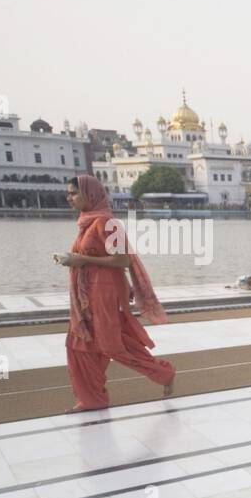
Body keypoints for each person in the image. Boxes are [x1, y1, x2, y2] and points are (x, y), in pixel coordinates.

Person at [58, 175, 176, 412]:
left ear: (90, 194)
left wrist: (80, 259)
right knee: (79, 343)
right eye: (68, 193)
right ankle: (92, 399)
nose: (69, 197)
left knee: (111, 344)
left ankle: (163, 372)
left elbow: (122, 260)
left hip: (104, 291)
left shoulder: (107, 223)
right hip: (86, 292)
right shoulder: (86, 223)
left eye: (73, 193)